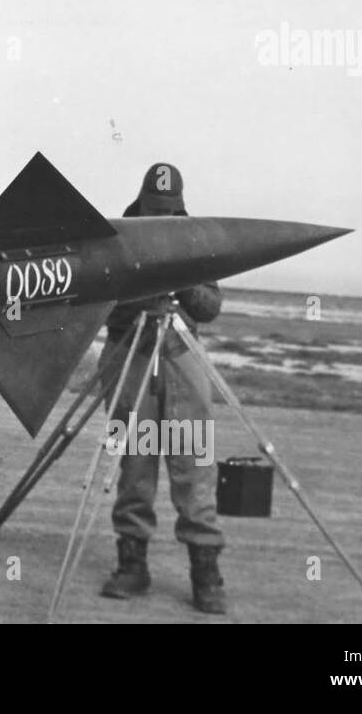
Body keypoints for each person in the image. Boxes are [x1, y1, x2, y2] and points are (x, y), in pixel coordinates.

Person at [98, 162, 227, 614]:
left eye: (170, 212)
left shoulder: (197, 240)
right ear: (142, 203)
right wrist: (142, 281)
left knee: (194, 465)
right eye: (157, 210)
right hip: (131, 356)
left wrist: (183, 277)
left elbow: (210, 307)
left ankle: (206, 574)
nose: (164, 218)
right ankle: (132, 565)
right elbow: (103, 308)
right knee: (134, 463)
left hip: (180, 356)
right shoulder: (117, 237)